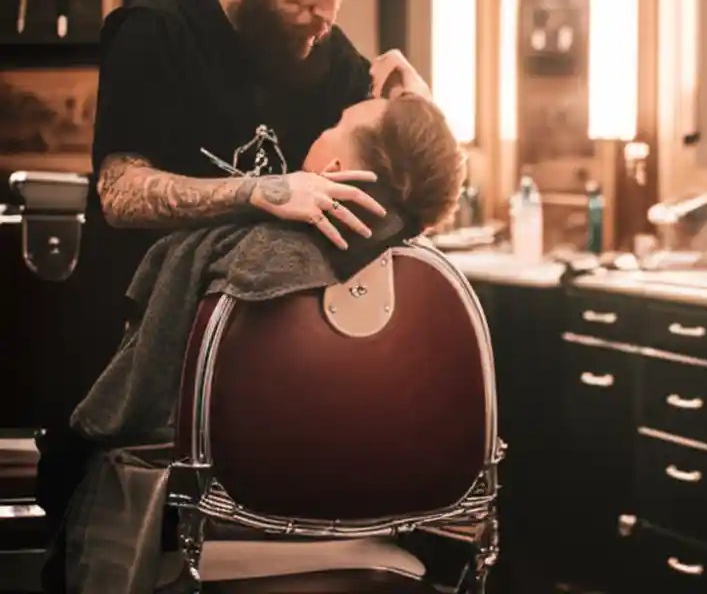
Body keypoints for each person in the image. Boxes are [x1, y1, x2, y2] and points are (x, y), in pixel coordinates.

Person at [37, 0, 432, 589]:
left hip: (253, 401)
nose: (326, 12)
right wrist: (262, 191)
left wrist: (421, 117)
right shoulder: (157, 31)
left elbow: (404, 211)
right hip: (131, 363)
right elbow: (121, 193)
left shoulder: (335, 63)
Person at [59, 92, 464, 594]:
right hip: (383, 529)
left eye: (337, 122)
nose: (322, 125)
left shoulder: (240, 254)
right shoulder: (428, 281)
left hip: (236, 522)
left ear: (333, 167)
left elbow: (144, 407)